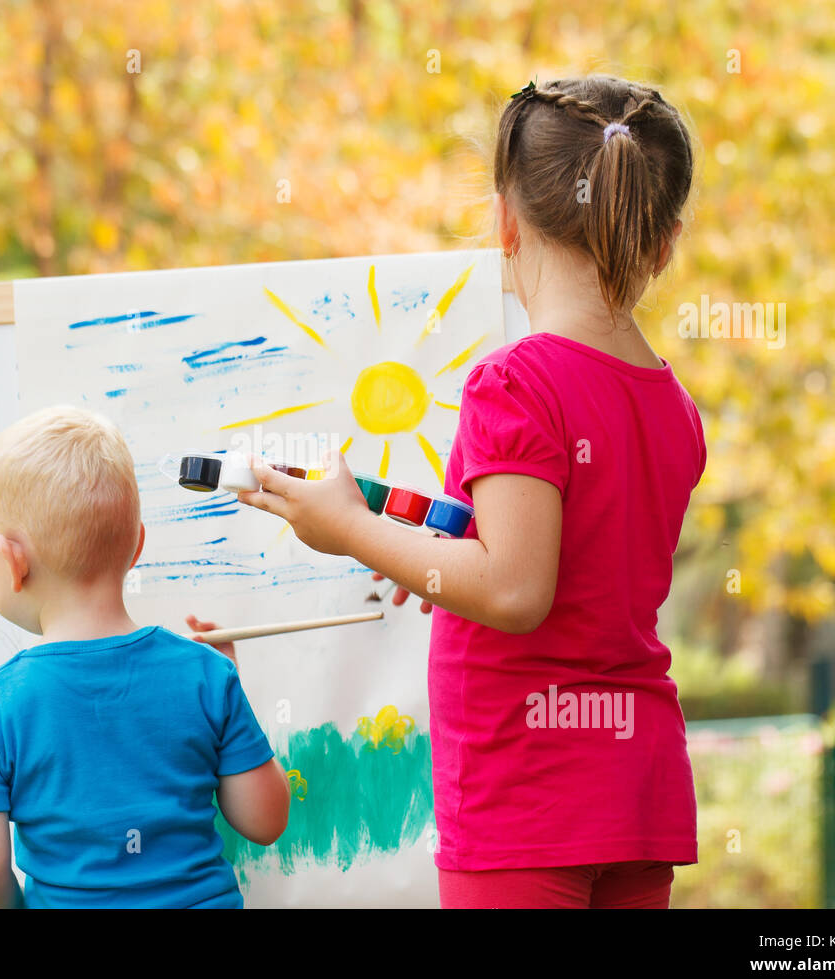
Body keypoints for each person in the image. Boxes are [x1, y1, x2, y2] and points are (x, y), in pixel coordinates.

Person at [239, 75, 705, 908]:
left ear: (503, 219)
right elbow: (562, 567)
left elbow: (517, 589)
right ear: (664, 243)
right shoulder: (670, 401)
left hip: (529, 794)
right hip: (635, 784)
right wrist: (437, 560)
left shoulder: (517, 383)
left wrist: (351, 528)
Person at [0, 405, 290, 907]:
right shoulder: (206, 676)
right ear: (136, 547)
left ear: (11, 561)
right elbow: (265, 821)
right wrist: (227, 696)